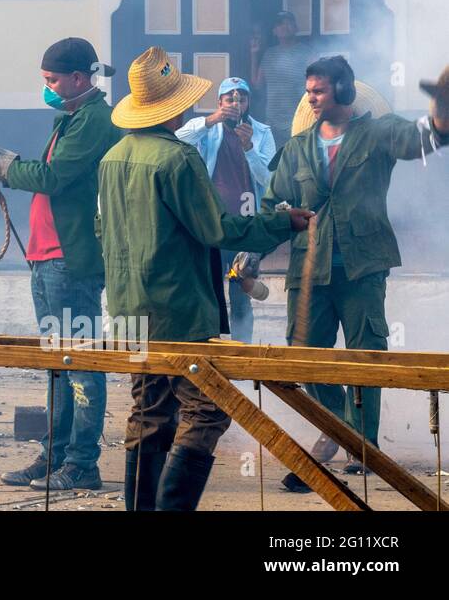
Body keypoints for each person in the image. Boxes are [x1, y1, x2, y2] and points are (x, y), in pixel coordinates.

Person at [98, 47, 312, 511]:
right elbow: (217, 228)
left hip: (128, 311)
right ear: (174, 107)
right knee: (207, 407)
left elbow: (103, 231)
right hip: (179, 309)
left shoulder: (112, 157)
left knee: (149, 409)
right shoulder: (177, 160)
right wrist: (280, 223)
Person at [264, 55, 449, 491]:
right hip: (309, 269)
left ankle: (362, 448)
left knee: (365, 357)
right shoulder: (296, 149)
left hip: (363, 265)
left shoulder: (378, 134)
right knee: (305, 357)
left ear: (344, 90)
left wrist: (441, 115)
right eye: (308, 91)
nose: (312, 98)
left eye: (320, 90)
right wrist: (255, 247)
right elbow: (273, 203)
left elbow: (422, 139)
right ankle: (340, 428)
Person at [0, 37, 119, 492]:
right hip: (47, 257)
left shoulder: (92, 121)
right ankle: (55, 457)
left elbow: (50, 177)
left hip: (72, 260)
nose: (46, 87)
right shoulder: (70, 118)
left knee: (81, 362)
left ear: (78, 79)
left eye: (51, 80)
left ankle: (83, 462)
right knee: (59, 362)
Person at [174, 77, 276, 343]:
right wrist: (211, 120)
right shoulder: (208, 130)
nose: (236, 103)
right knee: (209, 290)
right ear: (220, 103)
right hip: (213, 224)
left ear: (248, 102)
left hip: (244, 225)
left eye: (241, 99)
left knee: (241, 291)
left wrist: (250, 149)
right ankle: (212, 349)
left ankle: (242, 351)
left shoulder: (262, 132)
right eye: (229, 99)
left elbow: (269, 179)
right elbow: (176, 138)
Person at [250, 11, 313, 150]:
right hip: (273, 119)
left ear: (296, 28)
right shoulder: (269, 54)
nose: (285, 26)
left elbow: (315, 83)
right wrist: (254, 55)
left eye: (289, 22)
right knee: (275, 162)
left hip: (298, 117)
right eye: (280, 24)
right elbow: (257, 84)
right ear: (274, 31)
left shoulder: (306, 53)